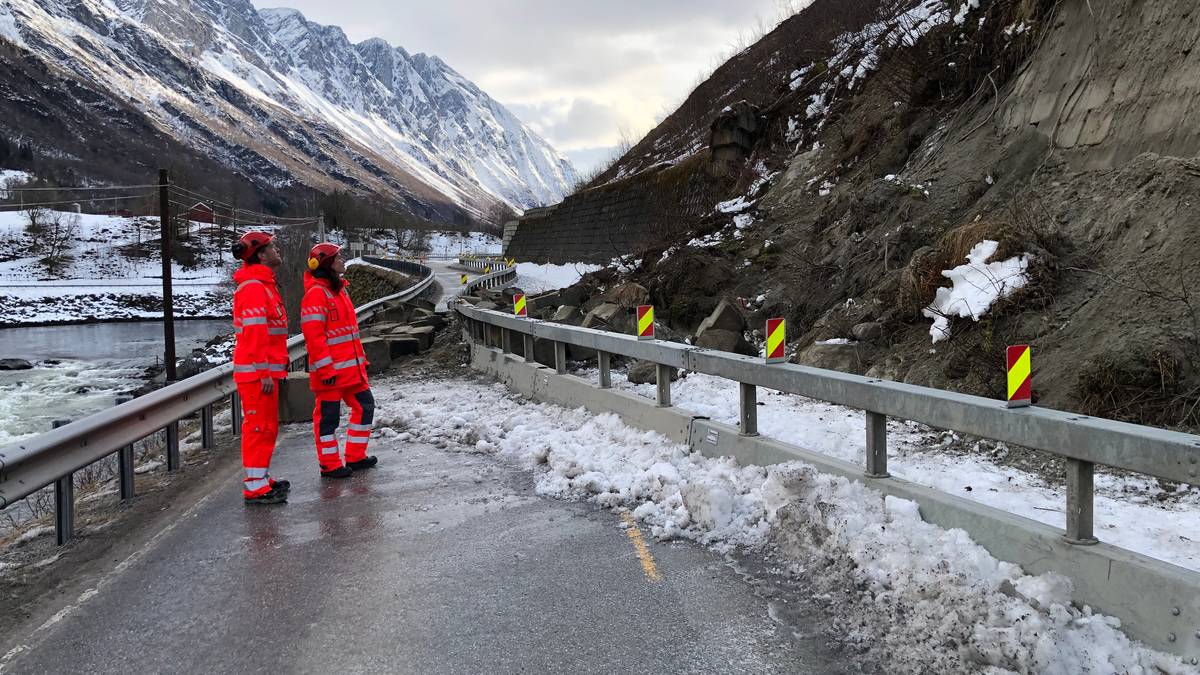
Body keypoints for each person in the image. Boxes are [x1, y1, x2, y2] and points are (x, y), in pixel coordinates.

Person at [300, 242, 379, 478]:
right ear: (326, 264)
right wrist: (326, 371)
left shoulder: (339, 290)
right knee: (328, 420)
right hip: (331, 373)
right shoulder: (316, 294)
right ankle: (329, 464)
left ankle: (355, 456)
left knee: (365, 408)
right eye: (338, 257)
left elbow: (349, 334)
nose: (342, 259)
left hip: (351, 370)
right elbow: (314, 337)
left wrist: (360, 361)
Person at [231, 231, 290, 505]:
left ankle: (261, 478)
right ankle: (255, 486)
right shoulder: (255, 287)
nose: (277, 250)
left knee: (266, 428)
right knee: (258, 428)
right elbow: (255, 334)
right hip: (257, 373)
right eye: (272, 247)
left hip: (264, 370)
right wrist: (264, 370)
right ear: (260, 254)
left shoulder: (263, 284)